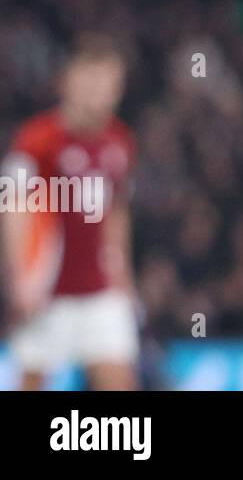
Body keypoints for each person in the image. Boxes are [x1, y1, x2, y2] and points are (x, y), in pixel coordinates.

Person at [1, 35, 138, 390]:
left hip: (99, 291)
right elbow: (14, 206)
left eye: (107, 83)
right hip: (47, 291)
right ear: (67, 82)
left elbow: (117, 211)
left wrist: (122, 275)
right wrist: (20, 281)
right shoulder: (36, 140)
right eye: (89, 80)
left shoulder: (119, 142)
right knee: (31, 381)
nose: (97, 92)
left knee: (118, 384)